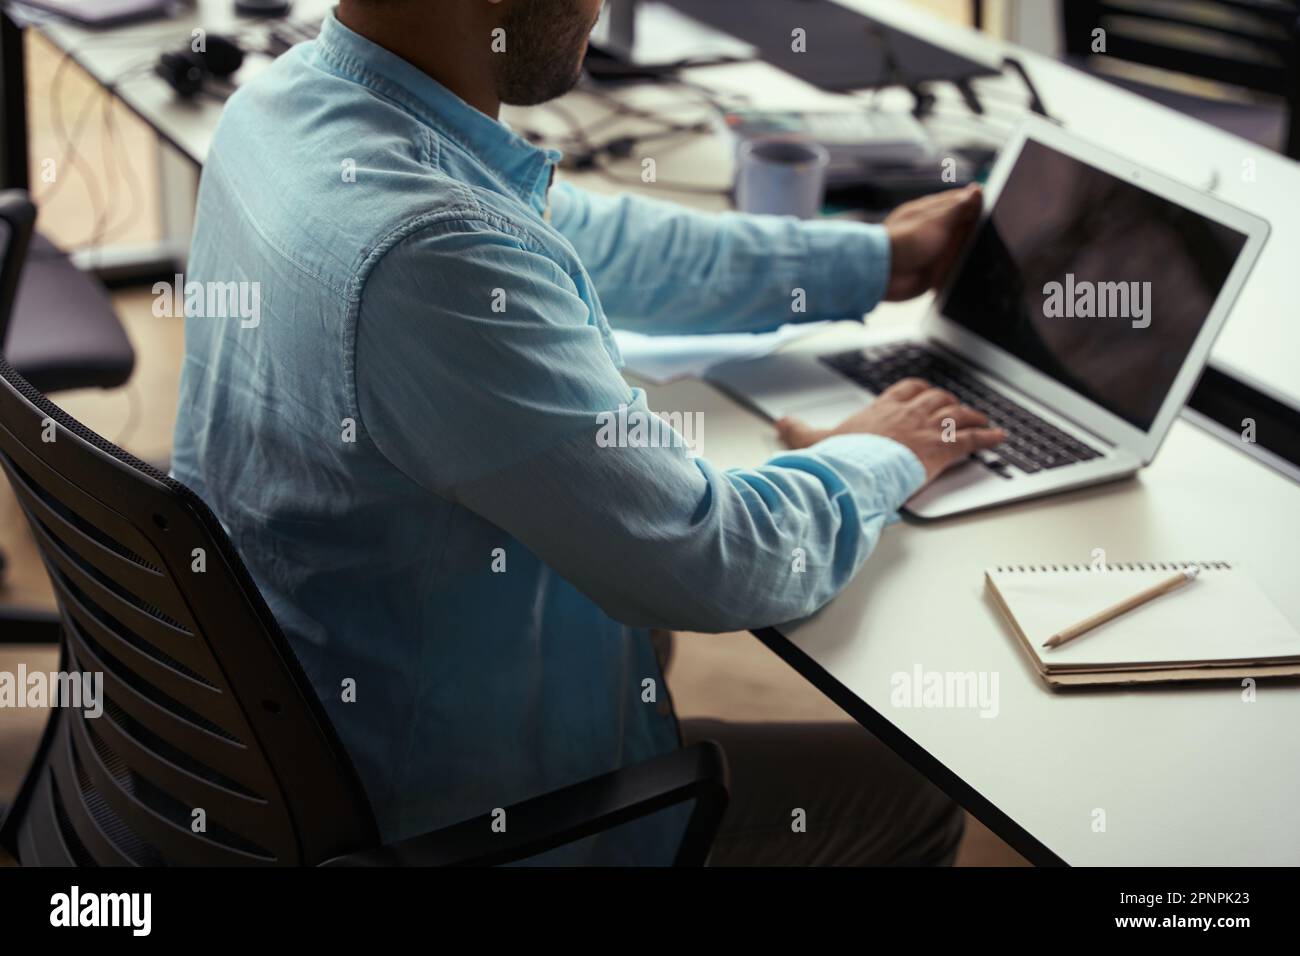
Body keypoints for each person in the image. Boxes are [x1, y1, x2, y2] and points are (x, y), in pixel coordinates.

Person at [171, 0, 1004, 865]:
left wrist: (869, 261)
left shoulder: (281, 108)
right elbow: (712, 558)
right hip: (443, 815)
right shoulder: (431, 254)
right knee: (914, 794)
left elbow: (585, 240)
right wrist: (884, 451)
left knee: (647, 633)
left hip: (292, 717)